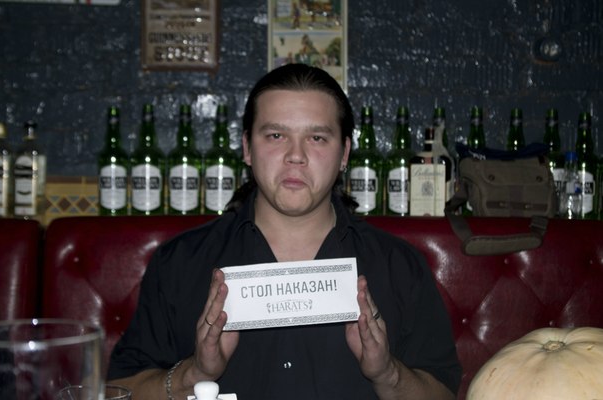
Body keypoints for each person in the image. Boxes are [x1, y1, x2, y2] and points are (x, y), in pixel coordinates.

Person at [107, 63, 461, 399]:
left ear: (344, 154)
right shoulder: (180, 261)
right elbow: (118, 390)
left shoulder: (400, 266)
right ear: (247, 148)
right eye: (276, 135)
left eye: (317, 138)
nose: (295, 155)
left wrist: (387, 373)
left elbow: (443, 393)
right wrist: (195, 372)